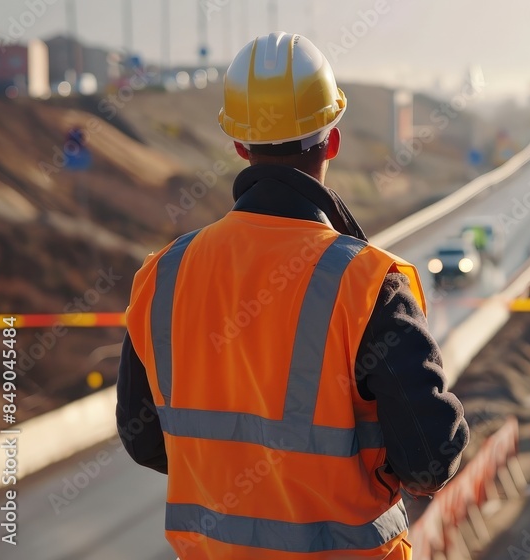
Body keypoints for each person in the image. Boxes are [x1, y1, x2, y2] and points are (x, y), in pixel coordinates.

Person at [116, 33, 469, 559]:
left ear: (239, 146)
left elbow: (144, 439)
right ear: (332, 141)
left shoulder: (164, 275)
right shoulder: (369, 283)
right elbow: (429, 462)